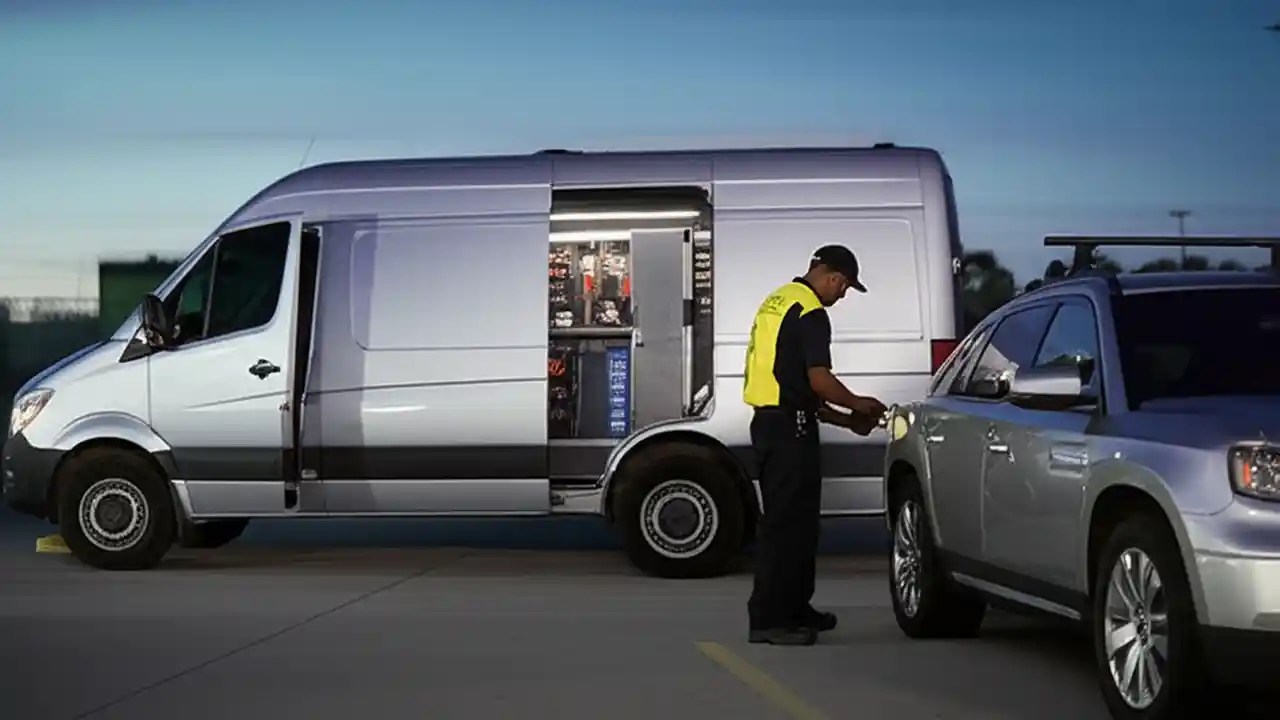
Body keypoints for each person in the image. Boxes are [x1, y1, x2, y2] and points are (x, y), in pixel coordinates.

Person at [742, 244, 888, 646]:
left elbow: (794, 383)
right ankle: (770, 619)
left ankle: (794, 607)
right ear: (833, 276)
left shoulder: (778, 299)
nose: (841, 295)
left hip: (773, 423)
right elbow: (818, 378)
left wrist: (845, 420)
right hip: (791, 431)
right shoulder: (811, 312)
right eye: (843, 287)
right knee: (788, 527)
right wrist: (860, 403)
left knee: (797, 525)